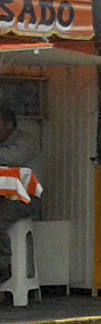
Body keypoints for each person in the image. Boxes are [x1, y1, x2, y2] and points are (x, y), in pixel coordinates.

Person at [0, 106, 42, 284]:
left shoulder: (26, 141)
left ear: (9, 125)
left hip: (27, 198)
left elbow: (12, 158)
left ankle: (3, 266)